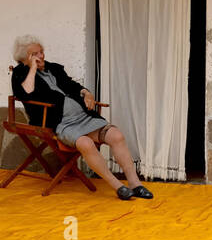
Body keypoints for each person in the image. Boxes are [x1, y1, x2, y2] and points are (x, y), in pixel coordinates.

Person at [11, 36, 153, 201]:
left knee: (116, 135)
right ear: (25, 57)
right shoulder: (20, 73)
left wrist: (87, 92)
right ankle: (119, 187)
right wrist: (33, 68)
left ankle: (135, 184)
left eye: (41, 51)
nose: (41, 56)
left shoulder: (54, 69)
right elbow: (25, 94)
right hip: (60, 123)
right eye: (35, 54)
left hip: (84, 117)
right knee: (86, 144)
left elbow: (73, 86)